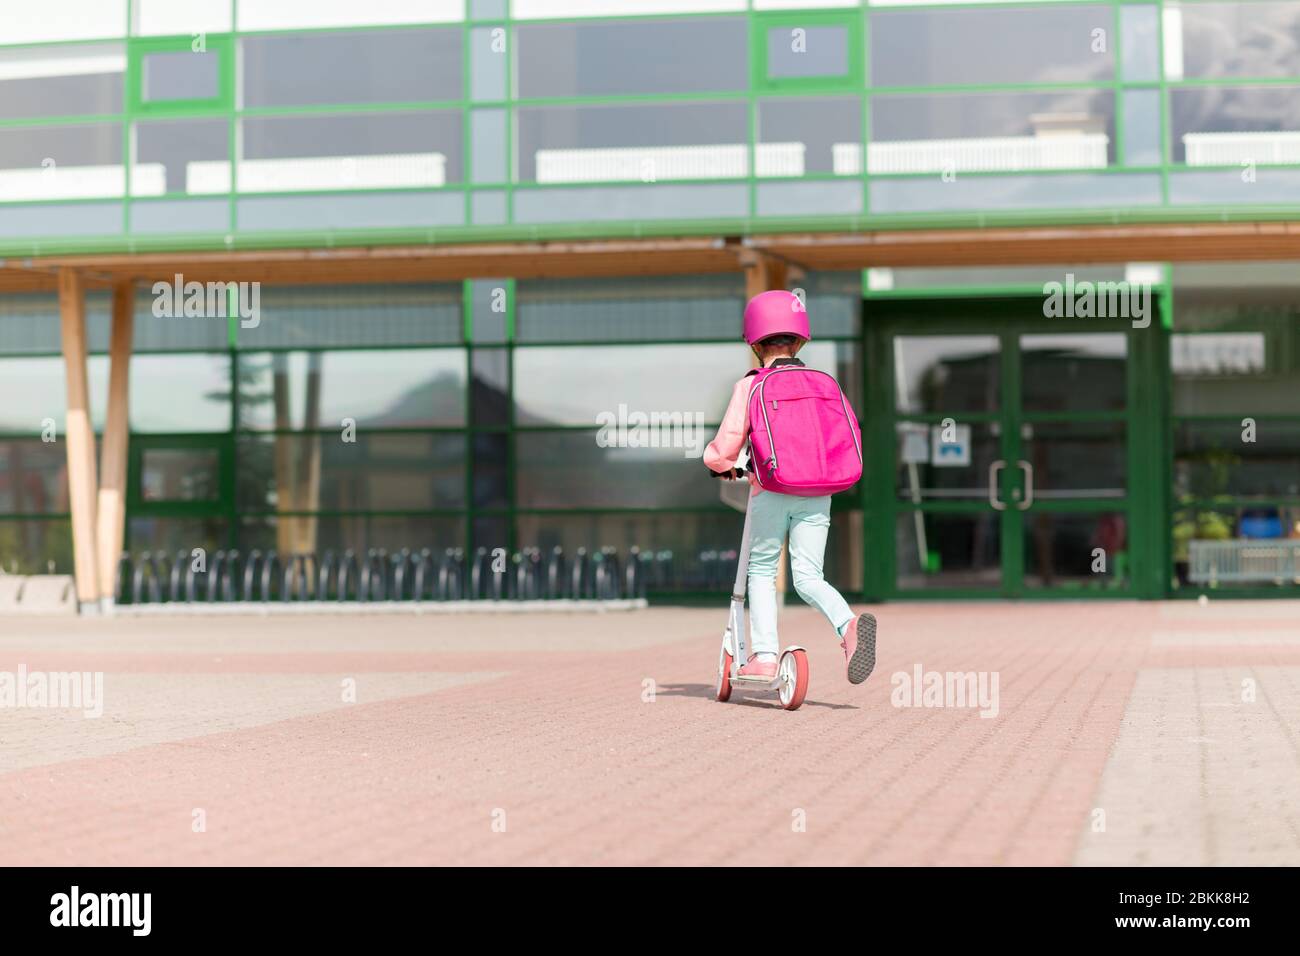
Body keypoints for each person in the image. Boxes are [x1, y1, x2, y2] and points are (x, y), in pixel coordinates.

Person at [703, 290, 876, 684]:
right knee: (809, 576)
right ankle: (848, 625)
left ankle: (763, 657)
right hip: (819, 491)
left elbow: (727, 443)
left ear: (754, 342)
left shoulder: (752, 385)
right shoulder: (823, 383)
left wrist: (720, 464)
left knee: (762, 571)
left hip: (773, 490)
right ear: (799, 341)